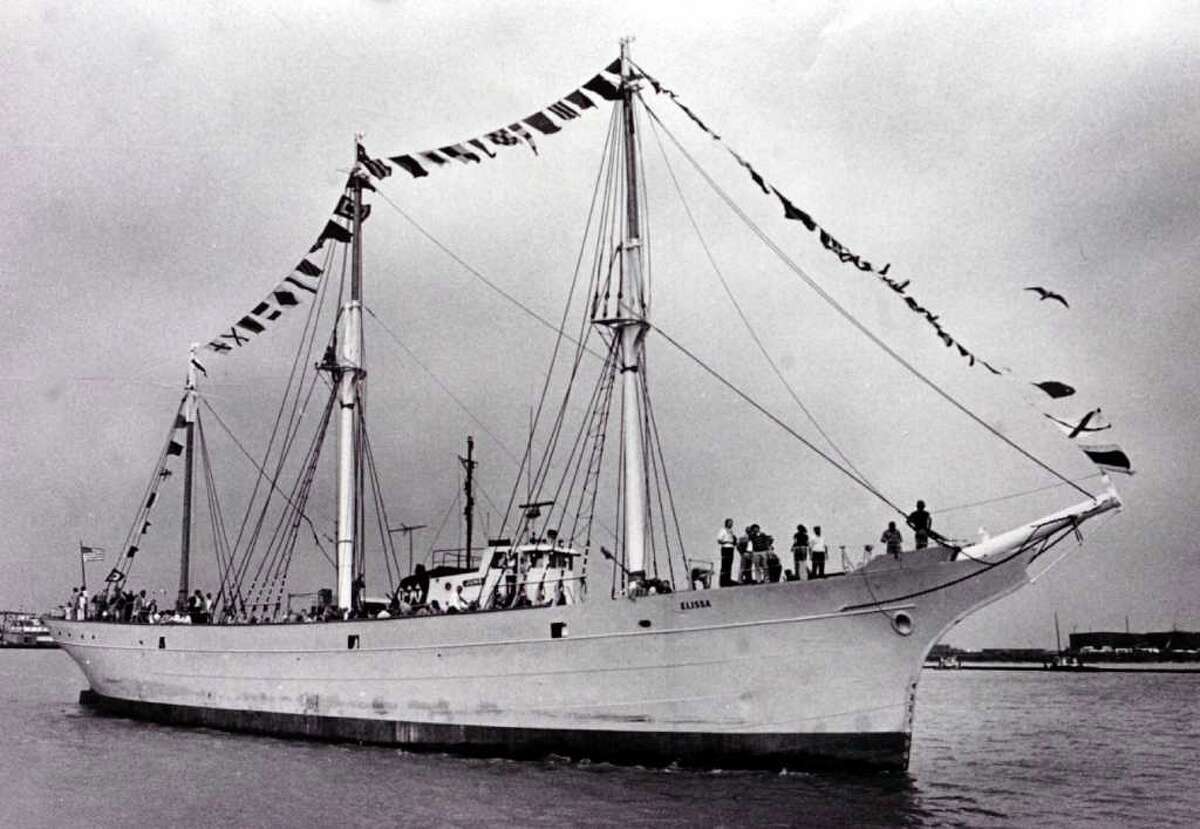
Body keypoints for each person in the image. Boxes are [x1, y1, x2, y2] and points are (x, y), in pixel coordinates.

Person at [717, 518, 737, 587]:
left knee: (729, 564)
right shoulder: (723, 530)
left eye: (732, 523)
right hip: (725, 547)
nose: (731, 524)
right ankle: (723, 582)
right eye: (730, 523)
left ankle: (728, 580)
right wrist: (727, 541)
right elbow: (719, 540)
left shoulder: (731, 531)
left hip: (731, 548)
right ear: (726, 523)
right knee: (724, 565)